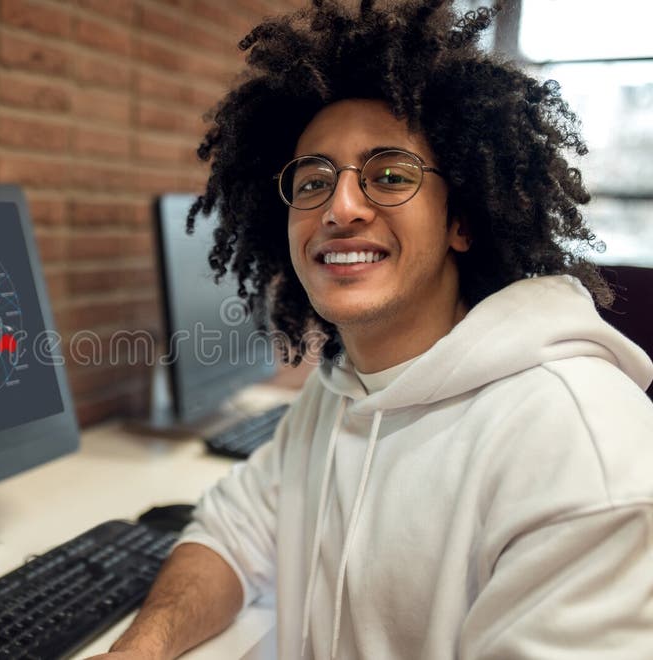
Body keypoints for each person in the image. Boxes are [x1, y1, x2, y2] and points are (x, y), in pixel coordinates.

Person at [92, 1, 653, 658]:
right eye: (312, 180)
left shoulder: (581, 448)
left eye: (389, 175)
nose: (341, 206)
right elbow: (230, 536)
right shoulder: (340, 391)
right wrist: (138, 650)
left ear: (462, 220)